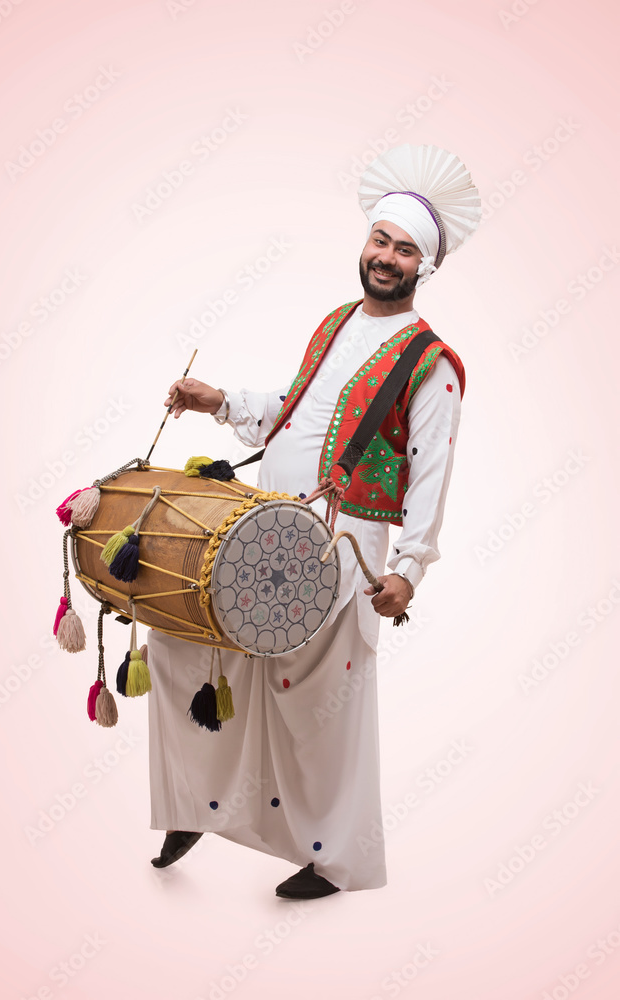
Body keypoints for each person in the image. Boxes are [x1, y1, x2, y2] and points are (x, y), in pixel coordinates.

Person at [147, 144, 481, 898]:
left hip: (344, 548)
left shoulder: (432, 362)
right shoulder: (334, 322)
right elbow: (295, 409)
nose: (386, 257)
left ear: (424, 266)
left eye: (404, 249)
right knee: (192, 646)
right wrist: (220, 401)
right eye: (380, 240)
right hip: (266, 525)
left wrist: (410, 569)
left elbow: (432, 468)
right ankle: (196, 803)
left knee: (317, 701)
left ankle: (335, 857)